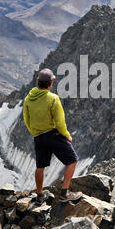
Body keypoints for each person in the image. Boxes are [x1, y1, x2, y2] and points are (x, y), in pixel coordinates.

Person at [23, 68, 82, 203]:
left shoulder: (28, 99)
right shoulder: (53, 98)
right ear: (51, 83)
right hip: (53, 135)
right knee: (72, 160)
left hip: (38, 137)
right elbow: (60, 122)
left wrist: (35, 132)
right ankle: (64, 193)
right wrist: (67, 135)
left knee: (40, 166)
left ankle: (39, 195)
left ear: (38, 81)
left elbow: (26, 120)